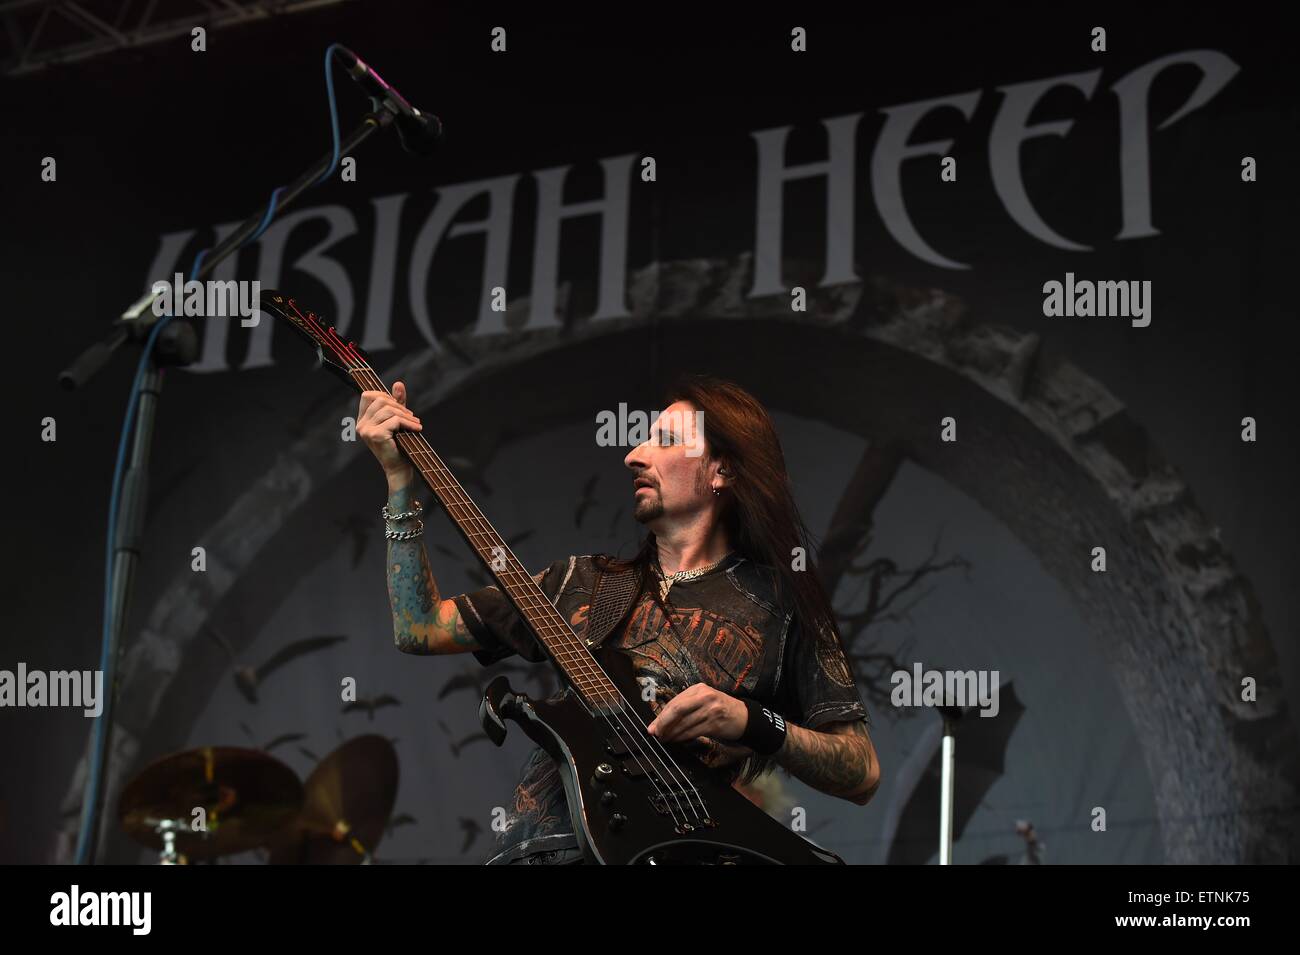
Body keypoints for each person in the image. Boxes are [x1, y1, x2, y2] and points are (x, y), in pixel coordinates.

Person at [358, 373, 881, 864]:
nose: (633, 455)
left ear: (722, 469)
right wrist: (400, 481)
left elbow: (860, 771)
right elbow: (418, 627)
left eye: (665, 440)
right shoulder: (581, 582)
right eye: (639, 440)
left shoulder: (782, 606)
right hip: (545, 853)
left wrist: (750, 722)